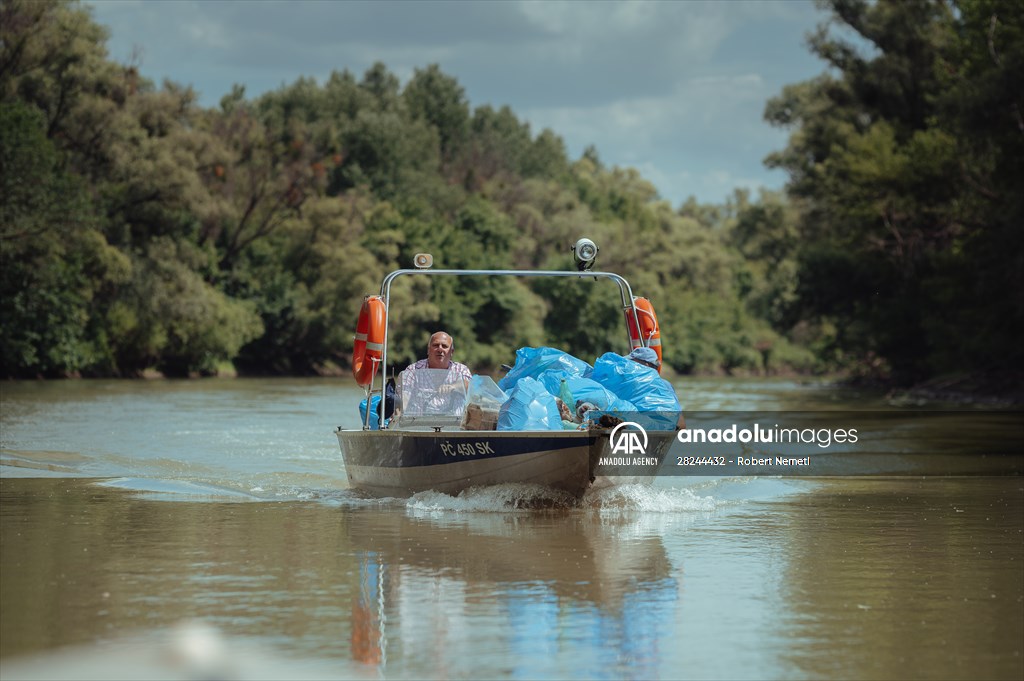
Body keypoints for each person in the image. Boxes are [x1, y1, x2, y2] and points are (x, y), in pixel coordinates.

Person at [395, 332, 472, 420]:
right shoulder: (413, 370)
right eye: (435, 345)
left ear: (451, 352)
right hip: (418, 426)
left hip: (454, 427)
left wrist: (453, 386)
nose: (440, 349)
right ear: (428, 350)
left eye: (444, 346)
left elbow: (471, 386)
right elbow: (402, 398)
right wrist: (401, 412)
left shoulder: (461, 370)